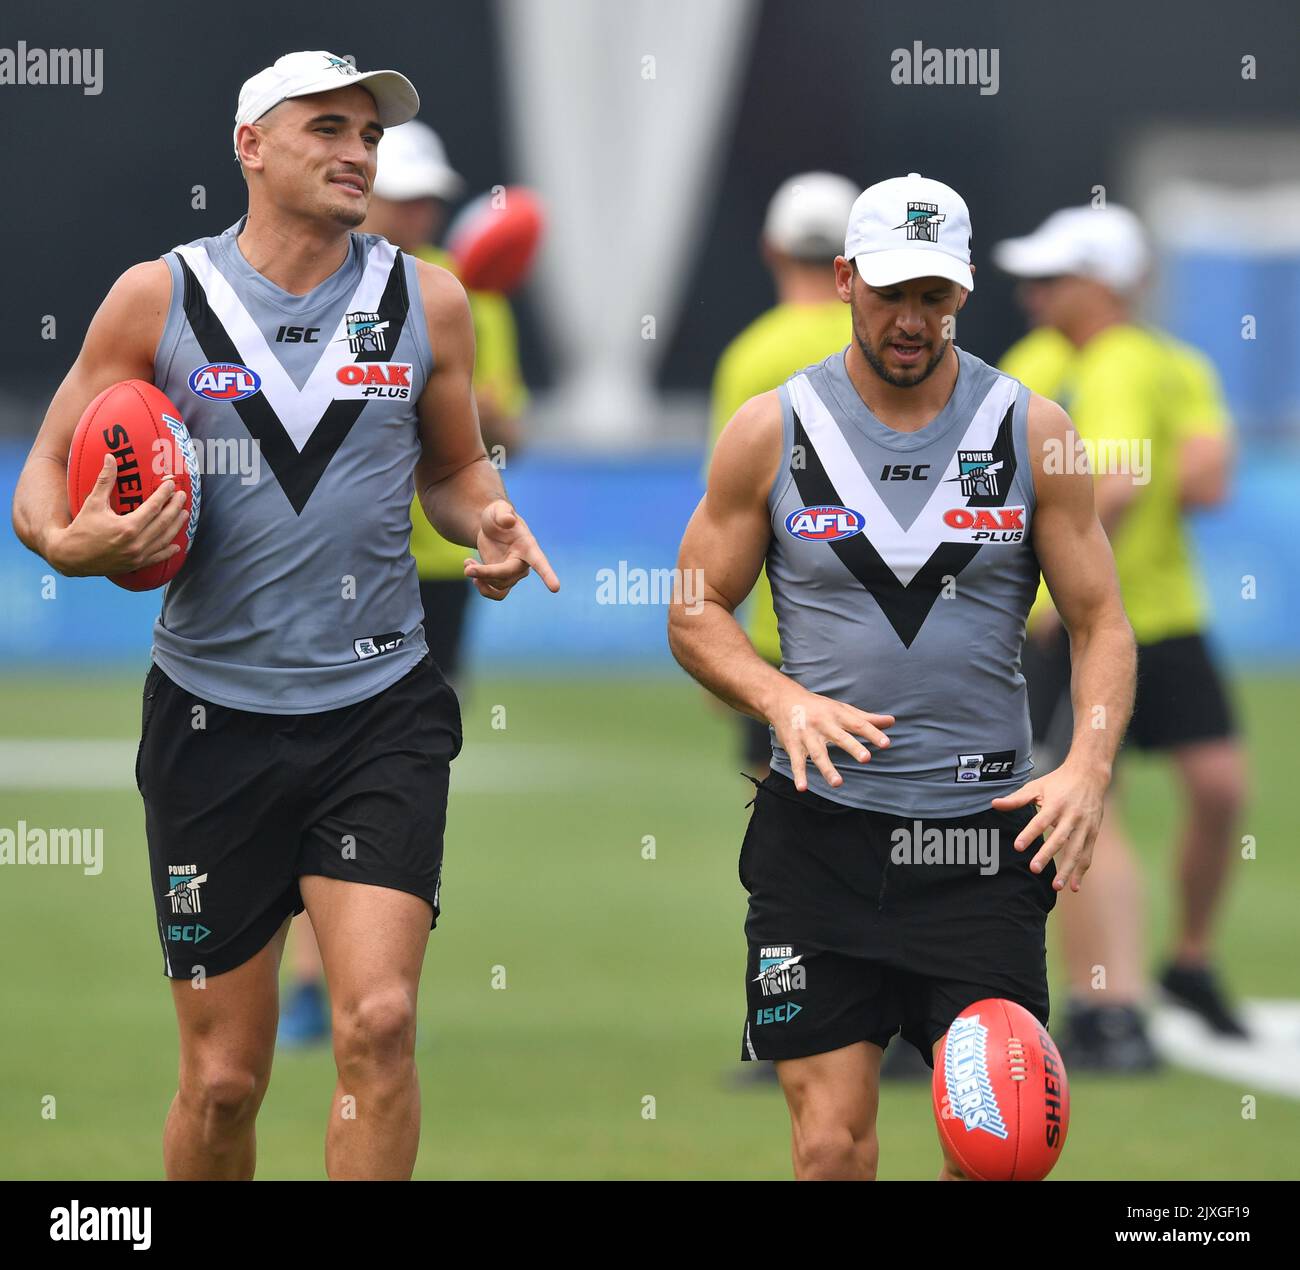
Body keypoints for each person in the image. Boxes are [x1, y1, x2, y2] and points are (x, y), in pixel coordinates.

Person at [11, 50, 559, 1180]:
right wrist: (76, 543)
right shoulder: (157, 298)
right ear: (250, 146)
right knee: (222, 1085)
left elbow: (454, 471)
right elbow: (46, 474)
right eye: (329, 129)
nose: (358, 152)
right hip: (211, 723)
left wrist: (489, 519)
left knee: (379, 1024)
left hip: (379, 713)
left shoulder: (428, 299)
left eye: (369, 134)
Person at [668, 173, 1136, 1180]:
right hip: (819, 843)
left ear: (963, 291)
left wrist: (1088, 767)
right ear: (843, 279)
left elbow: (1101, 623)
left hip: (979, 842)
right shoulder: (772, 429)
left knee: (999, 1154)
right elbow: (695, 608)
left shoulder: (1031, 430)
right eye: (891, 292)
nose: (914, 318)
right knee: (829, 1146)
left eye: (936, 294)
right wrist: (778, 697)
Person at [277, 119, 533, 1048]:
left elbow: (496, 442)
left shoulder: (465, 301)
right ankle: (311, 976)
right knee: (304, 766)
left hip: (442, 570)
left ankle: (355, 976)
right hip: (329, 571)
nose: (416, 211)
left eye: (428, 198)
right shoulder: (313, 286)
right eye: (404, 195)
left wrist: (482, 406)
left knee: (392, 766)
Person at [995, 205, 1247, 1068]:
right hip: (1068, 621)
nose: (1033, 294)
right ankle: (1109, 1004)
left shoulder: (1148, 363)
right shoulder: (1040, 365)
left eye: (1052, 278)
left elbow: (1190, 477)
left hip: (1155, 612)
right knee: (1083, 803)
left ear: (1103, 284)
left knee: (1216, 790)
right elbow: (1135, 476)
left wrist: (1038, 522)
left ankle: (1183, 966)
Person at [709, 172, 858, 780]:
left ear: (772, 250)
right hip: (900, 626)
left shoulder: (751, 354)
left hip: (786, 636)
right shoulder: (891, 344)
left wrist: (721, 650)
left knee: (781, 820)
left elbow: (728, 512)